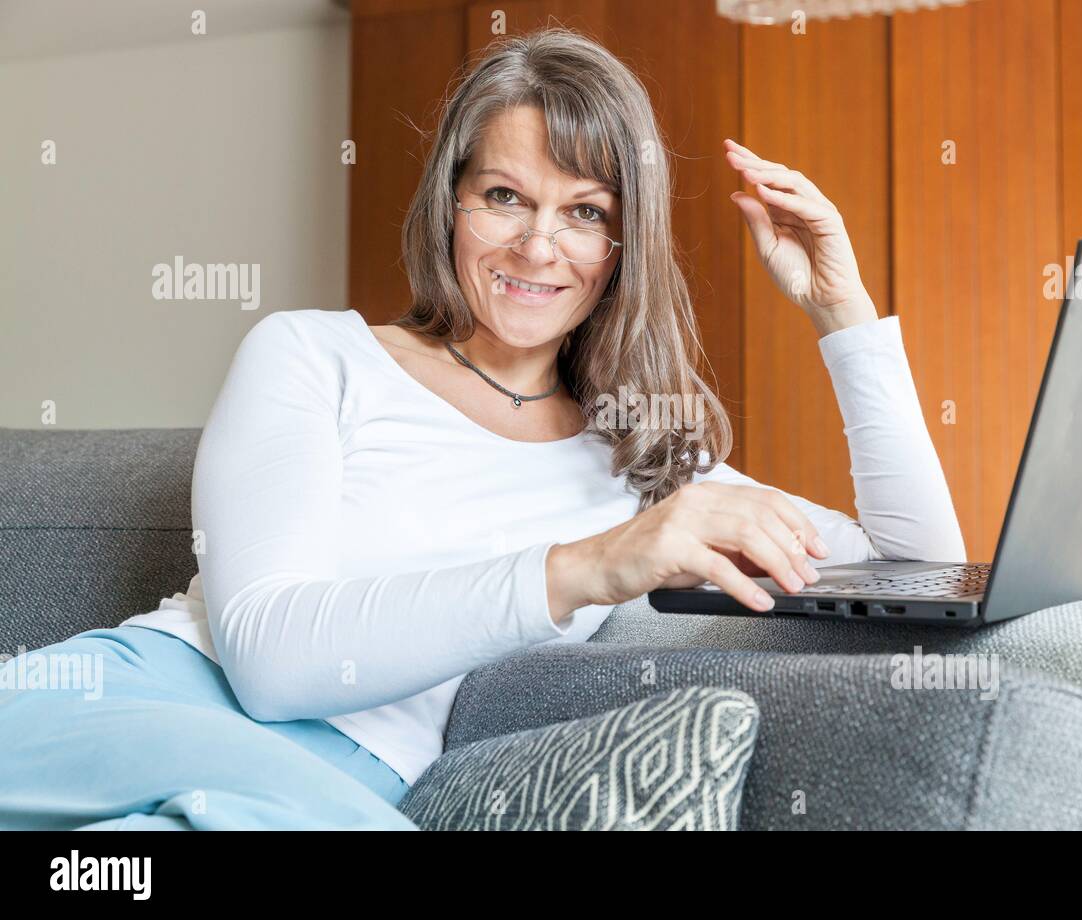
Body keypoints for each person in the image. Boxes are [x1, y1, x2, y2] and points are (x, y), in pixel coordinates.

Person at [0, 27, 964, 830]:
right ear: (450, 203)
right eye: (504, 196)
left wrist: (843, 312)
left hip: (336, 793)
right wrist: (592, 564)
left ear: (622, 248)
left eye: (584, 213)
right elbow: (271, 662)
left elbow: (930, 574)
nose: (537, 247)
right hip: (144, 701)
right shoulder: (312, 358)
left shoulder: (645, 461)